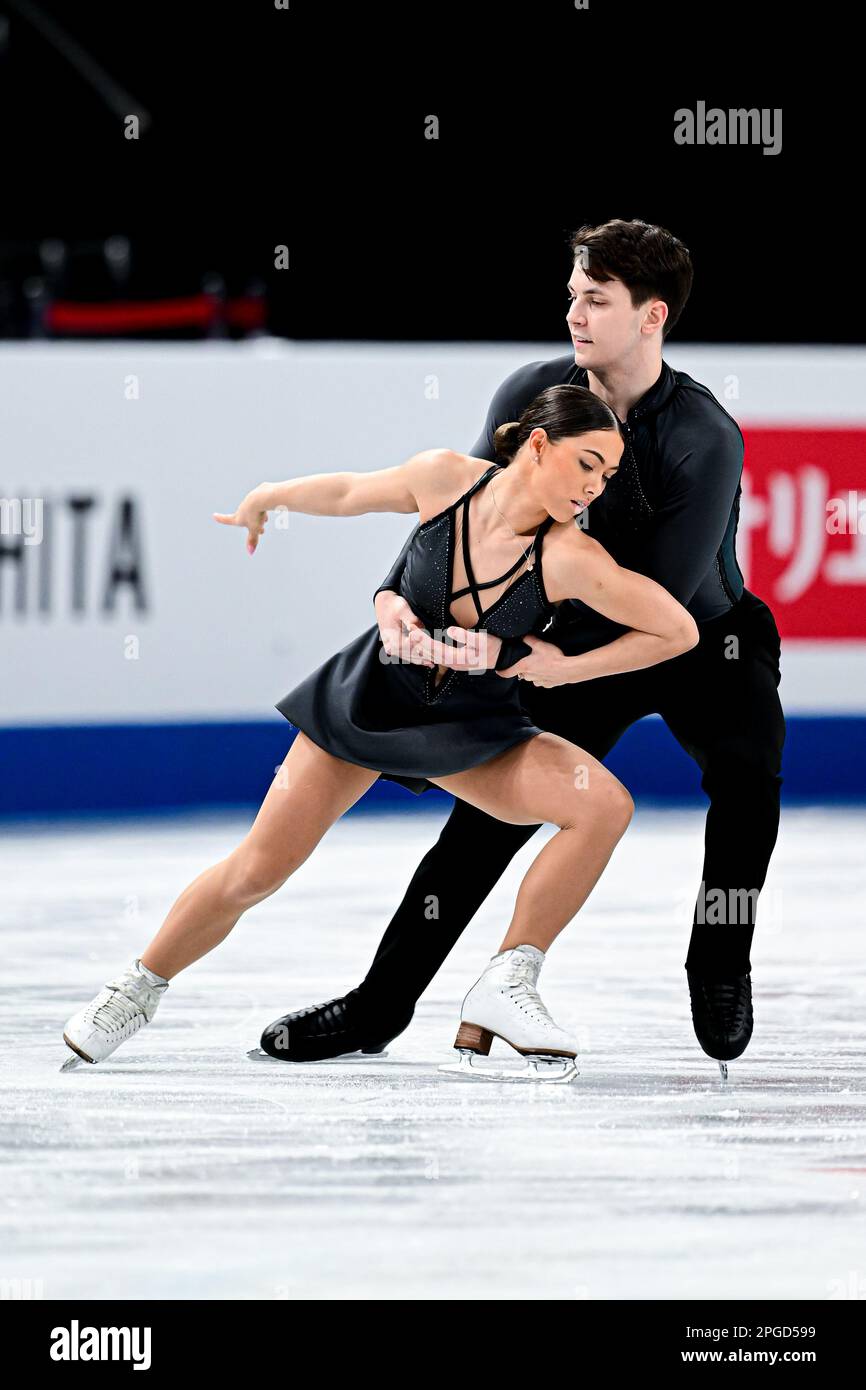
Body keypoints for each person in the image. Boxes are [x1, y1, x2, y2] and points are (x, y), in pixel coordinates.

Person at [264, 218, 786, 1079]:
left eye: (596, 299)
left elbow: (657, 598)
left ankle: (719, 958)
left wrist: (531, 656)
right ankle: (379, 1003)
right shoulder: (533, 394)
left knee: (749, 772)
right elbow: (459, 521)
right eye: (573, 293)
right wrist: (409, 606)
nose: (574, 312)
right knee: (482, 823)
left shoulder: (704, 434)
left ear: (651, 317)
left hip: (698, 638)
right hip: (558, 637)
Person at [60, 383, 700, 1081]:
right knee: (256, 871)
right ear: (539, 445)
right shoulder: (446, 479)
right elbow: (346, 493)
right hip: (368, 702)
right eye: (586, 465)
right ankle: (137, 988)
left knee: (602, 806)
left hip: (468, 730)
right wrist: (270, 495)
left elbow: (676, 630)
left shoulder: (572, 558)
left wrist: (562, 668)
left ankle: (509, 981)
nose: (593, 489)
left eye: (607, 476)